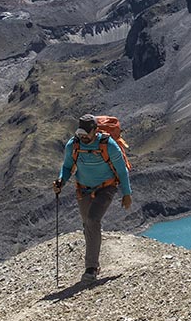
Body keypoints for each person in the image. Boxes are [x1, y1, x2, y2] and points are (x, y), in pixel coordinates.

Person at [53, 114, 133, 282]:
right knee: (88, 224)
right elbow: (67, 167)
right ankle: (93, 261)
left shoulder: (108, 145)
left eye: (86, 134)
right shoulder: (73, 145)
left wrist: (127, 194)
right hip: (83, 190)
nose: (83, 137)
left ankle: (91, 268)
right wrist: (61, 180)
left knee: (92, 220)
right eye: (80, 133)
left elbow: (121, 170)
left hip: (107, 188)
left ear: (95, 131)